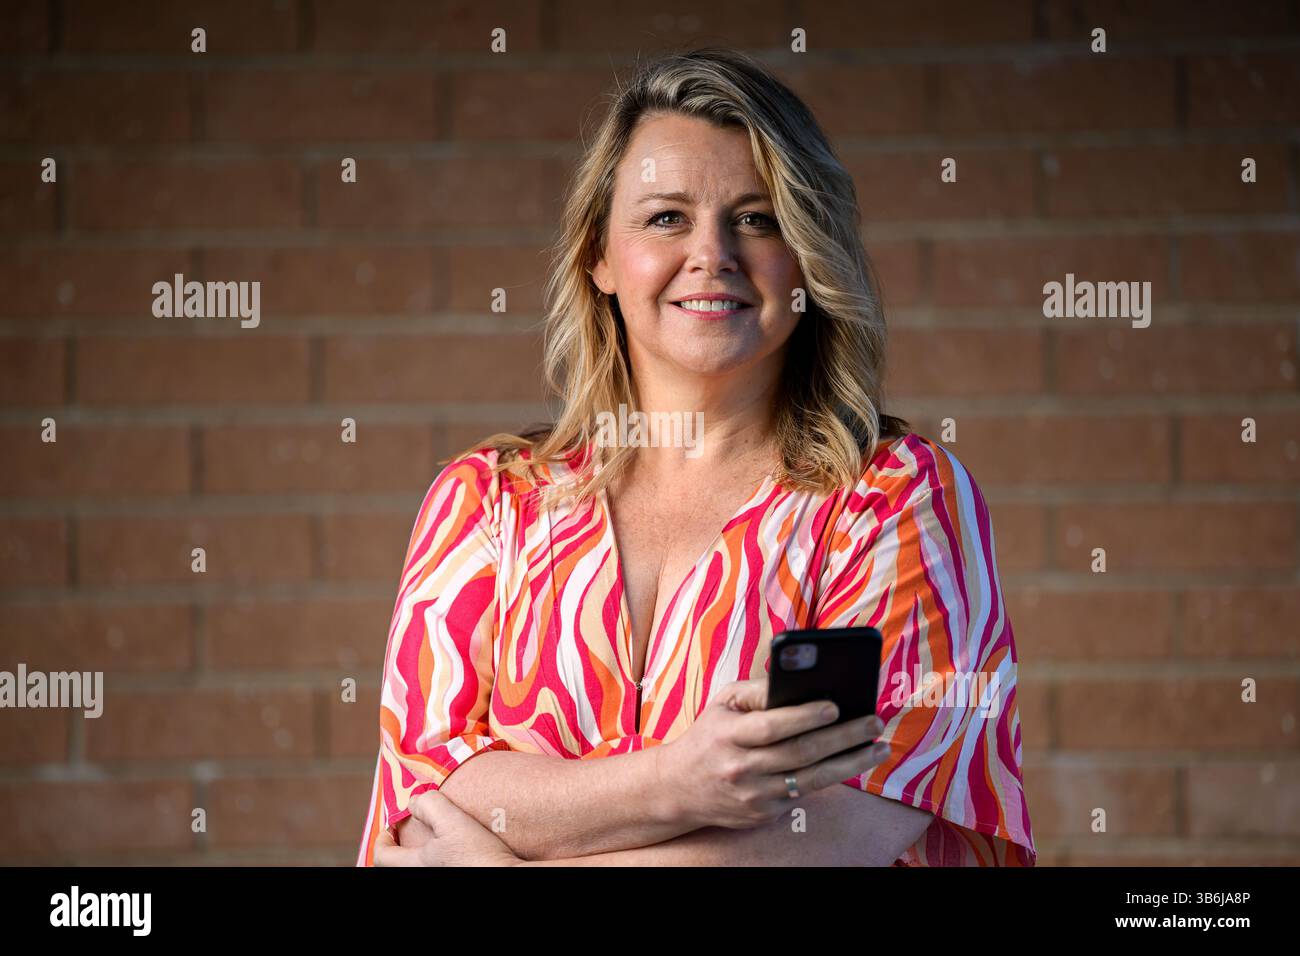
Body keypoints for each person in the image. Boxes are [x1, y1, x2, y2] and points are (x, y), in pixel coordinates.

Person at [357, 48, 1035, 867]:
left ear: (808, 258)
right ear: (599, 257)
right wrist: (680, 784)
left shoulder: (894, 498)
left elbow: (844, 833)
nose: (712, 254)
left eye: (756, 218)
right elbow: (424, 802)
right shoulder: (487, 502)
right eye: (666, 217)